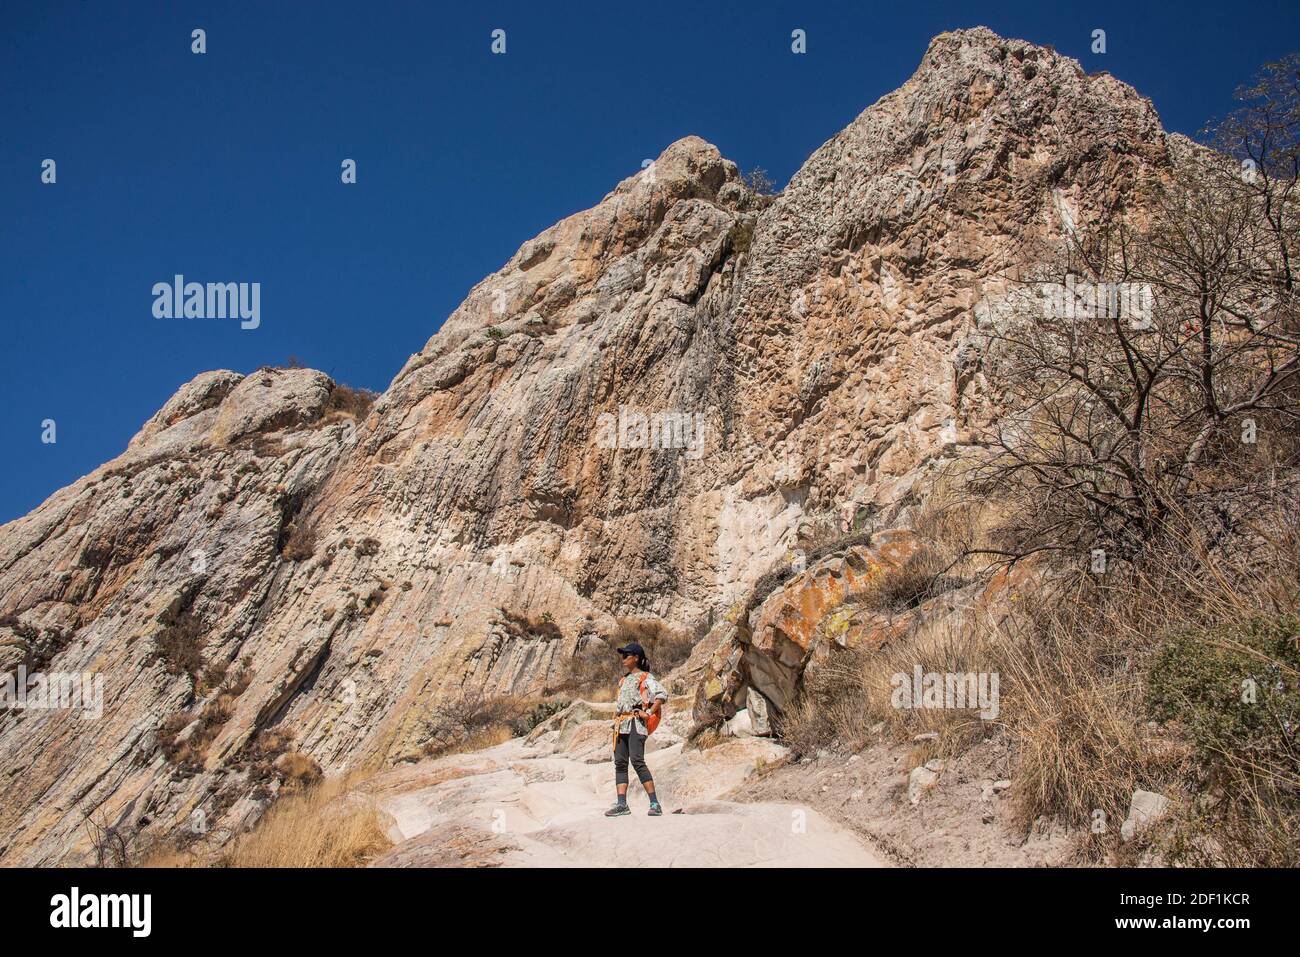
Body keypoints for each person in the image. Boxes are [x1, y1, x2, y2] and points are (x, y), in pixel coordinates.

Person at [605, 641, 668, 817]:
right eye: (623, 655)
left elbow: (662, 694)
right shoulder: (624, 679)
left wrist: (648, 712)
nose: (623, 658)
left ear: (636, 658)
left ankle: (655, 803)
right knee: (620, 763)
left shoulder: (646, 677)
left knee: (637, 761)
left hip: (635, 723)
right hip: (621, 724)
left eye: (627, 655)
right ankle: (621, 804)